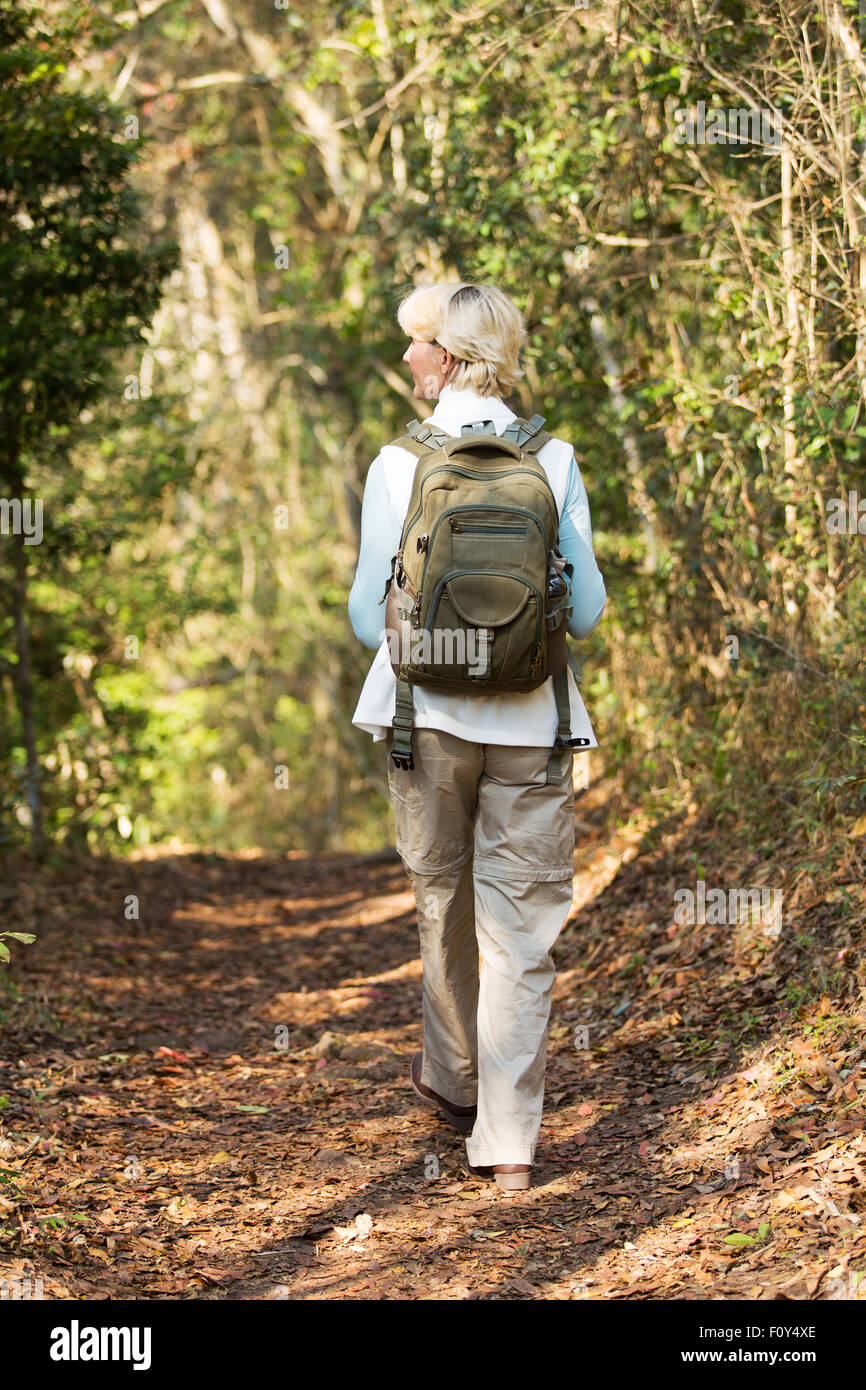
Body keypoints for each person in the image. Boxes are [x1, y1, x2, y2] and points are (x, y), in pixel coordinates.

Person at [348, 282, 606, 1190]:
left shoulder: (397, 464)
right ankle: (508, 1145)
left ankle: (454, 1076)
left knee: (441, 902)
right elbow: (591, 613)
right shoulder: (557, 457)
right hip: (534, 722)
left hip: (426, 722)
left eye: (418, 343)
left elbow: (359, 619)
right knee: (522, 930)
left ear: (450, 357)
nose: (409, 357)